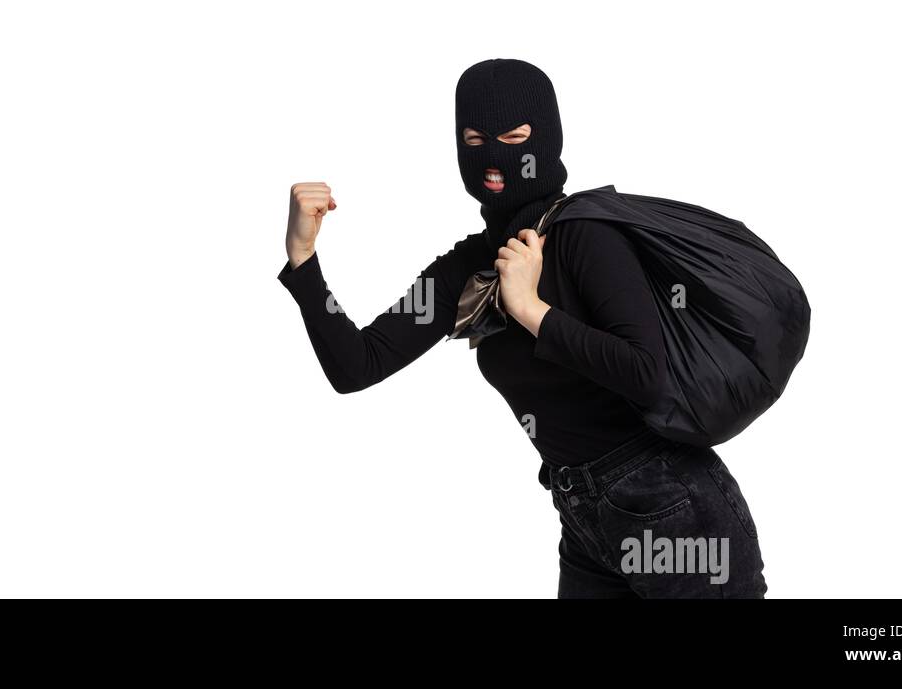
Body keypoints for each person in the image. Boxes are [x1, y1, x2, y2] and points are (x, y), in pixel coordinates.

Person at [277, 59, 766, 598]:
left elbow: (647, 373)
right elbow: (357, 365)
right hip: (583, 516)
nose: (492, 156)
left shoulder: (584, 234)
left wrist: (530, 309)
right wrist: (304, 260)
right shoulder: (470, 268)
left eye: (513, 136)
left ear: (547, 138)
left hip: (674, 507)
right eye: (474, 138)